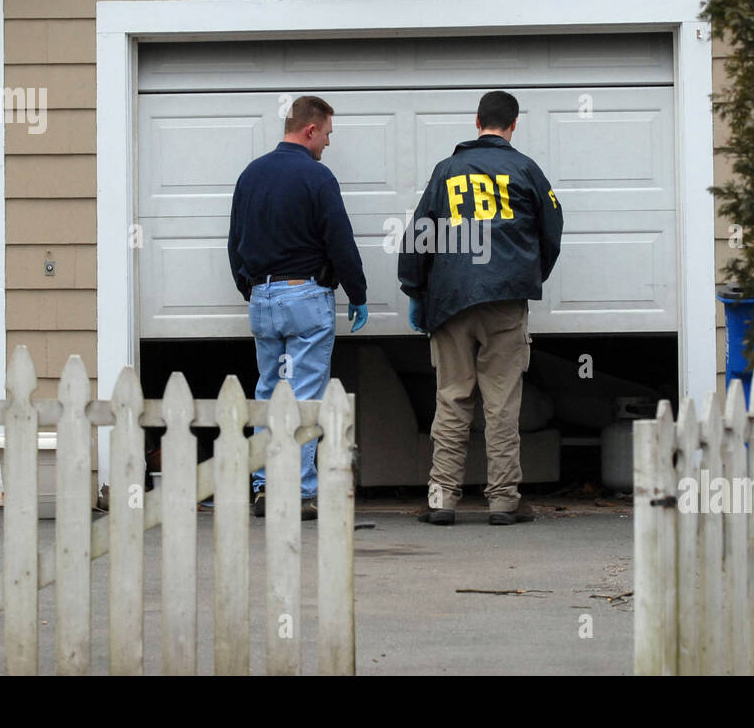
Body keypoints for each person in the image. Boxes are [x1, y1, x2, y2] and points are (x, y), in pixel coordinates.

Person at [398, 90, 563, 525]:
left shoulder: (446, 171)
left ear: (477, 122)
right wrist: (528, 274)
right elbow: (551, 232)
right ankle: (504, 501)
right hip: (505, 299)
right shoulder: (526, 170)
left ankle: (442, 500)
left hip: (450, 300)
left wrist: (415, 290)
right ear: (513, 125)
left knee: (452, 398)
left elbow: (419, 235)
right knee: (502, 402)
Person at [228, 95, 368, 520]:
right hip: (305, 297)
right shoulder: (317, 177)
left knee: (269, 392)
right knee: (305, 396)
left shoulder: (251, 175)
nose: (327, 143)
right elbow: (338, 240)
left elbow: (235, 242)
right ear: (310, 130)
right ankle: (302, 492)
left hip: (263, 297)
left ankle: (264, 488)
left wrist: (250, 289)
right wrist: (357, 293)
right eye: (327, 134)